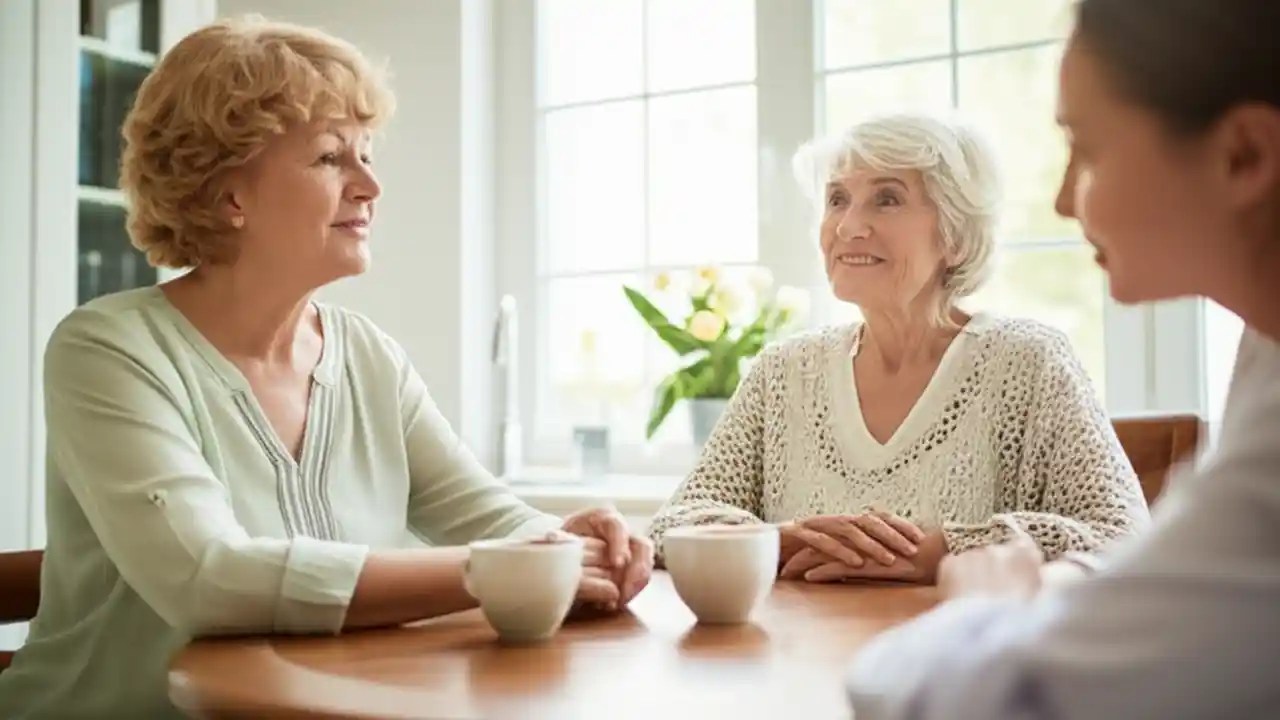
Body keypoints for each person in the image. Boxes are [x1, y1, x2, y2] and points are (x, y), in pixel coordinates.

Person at [0, 16, 651, 718]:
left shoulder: (369, 357)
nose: (370, 185)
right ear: (228, 195)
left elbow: (486, 518)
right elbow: (207, 576)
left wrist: (576, 543)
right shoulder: (108, 350)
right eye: (330, 158)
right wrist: (500, 569)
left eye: (368, 155)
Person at [845, 1, 1280, 718]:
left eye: (1088, 148)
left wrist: (982, 601)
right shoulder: (1264, 347)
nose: (1059, 200)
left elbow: (957, 697)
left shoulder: (1028, 358)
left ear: (1245, 157)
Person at [647, 114, 1148, 584]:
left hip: (951, 670)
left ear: (953, 233)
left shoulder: (1028, 362)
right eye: (837, 199)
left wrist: (942, 551)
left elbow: (1123, 538)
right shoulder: (783, 371)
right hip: (789, 664)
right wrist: (770, 543)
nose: (847, 227)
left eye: (886, 199)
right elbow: (672, 526)